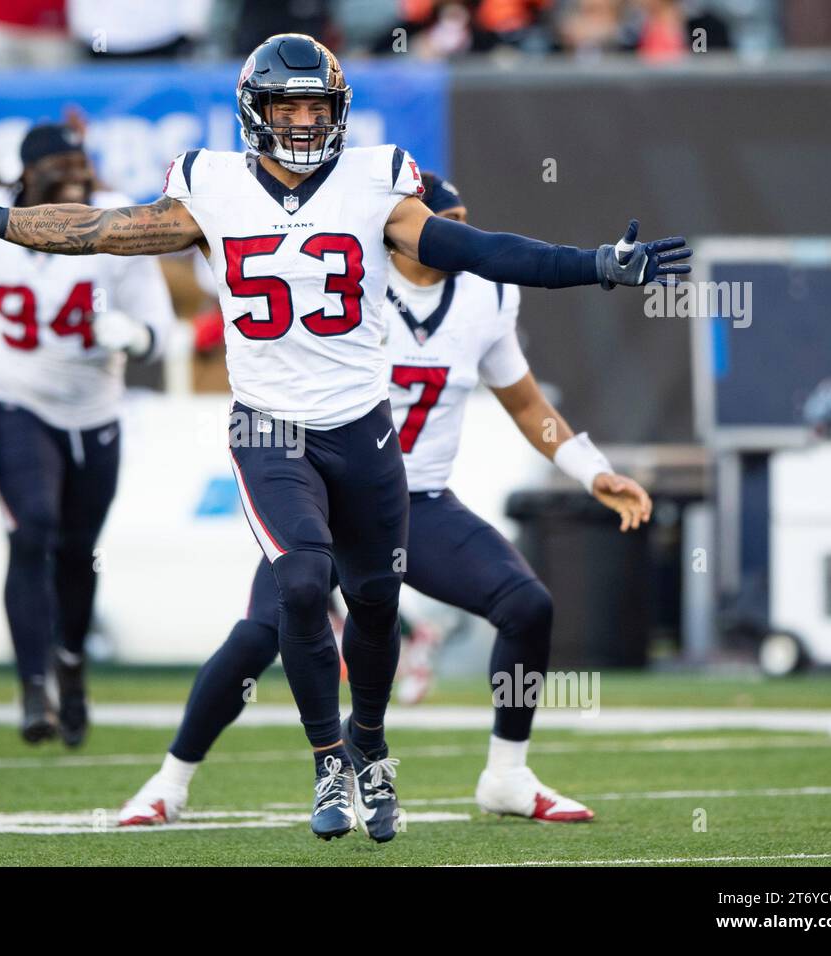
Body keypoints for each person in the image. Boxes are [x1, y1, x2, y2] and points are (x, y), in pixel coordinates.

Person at [0, 32, 690, 840]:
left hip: (363, 432)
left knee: (376, 605)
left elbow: (484, 252)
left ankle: (373, 744)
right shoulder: (213, 186)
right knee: (301, 587)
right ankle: (326, 761)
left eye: (318, 106)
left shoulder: (378, 185)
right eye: (289, 106)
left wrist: (595, 263)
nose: (305, 122)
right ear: (256, 112)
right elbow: (99, 226)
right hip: (270, 429)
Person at [117, 172, 653, 835]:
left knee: (527, 605)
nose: (454, 233)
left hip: (415, 500)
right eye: (441, 221)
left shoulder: (484, 296)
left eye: (459, 219)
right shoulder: (347, 281)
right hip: (322, 493)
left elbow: (522, 400)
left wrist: (590, 469)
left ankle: (507, 774)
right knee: (261, 633)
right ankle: (169, 781)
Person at [0, 122, 175, 746]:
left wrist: (134, 338)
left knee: (79, 550)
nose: (73, 174)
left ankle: (71, 666)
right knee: (30, 529)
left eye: (79, 163)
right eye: (58, 166)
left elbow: (158, 326)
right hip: (12, 401)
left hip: (94, 411)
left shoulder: (114, 221)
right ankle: (34, 685)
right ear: (25, 175)